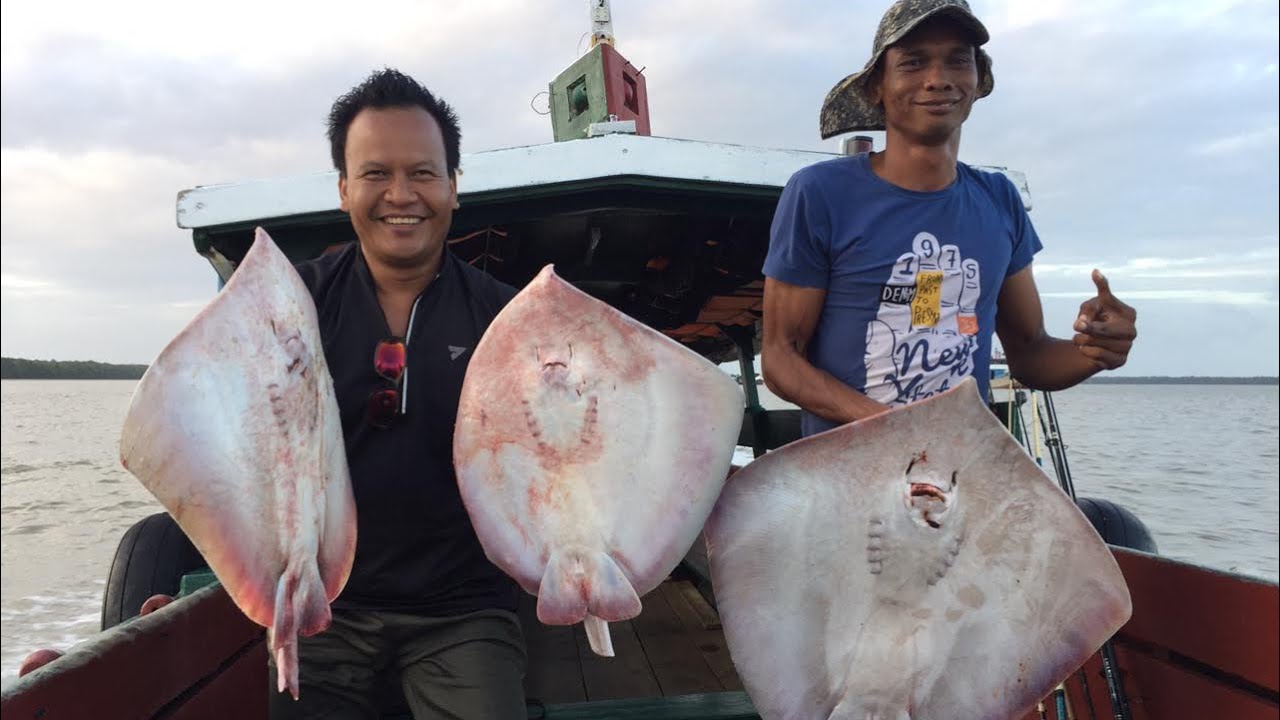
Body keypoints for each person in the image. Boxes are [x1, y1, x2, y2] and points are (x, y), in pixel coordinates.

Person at [761, 0, 1137, 436]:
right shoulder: (820, 193)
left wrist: (1096, 351)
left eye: (958, 61)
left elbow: (1030, 354)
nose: (937, 80)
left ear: (977, 82)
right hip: (849, 482)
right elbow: (781, 358)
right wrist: (892, 426)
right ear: (876, 88)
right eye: (913, 62)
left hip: (956, 477)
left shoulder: (999, 199)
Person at [279, 68, 527, 719]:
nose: (401, 194)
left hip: (464, 610)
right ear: (342, 189)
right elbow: (229, 448)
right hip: (322, 608)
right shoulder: (288, 307)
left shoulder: (508, 320)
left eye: (422, 173)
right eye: (375, 173)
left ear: (453, 188)